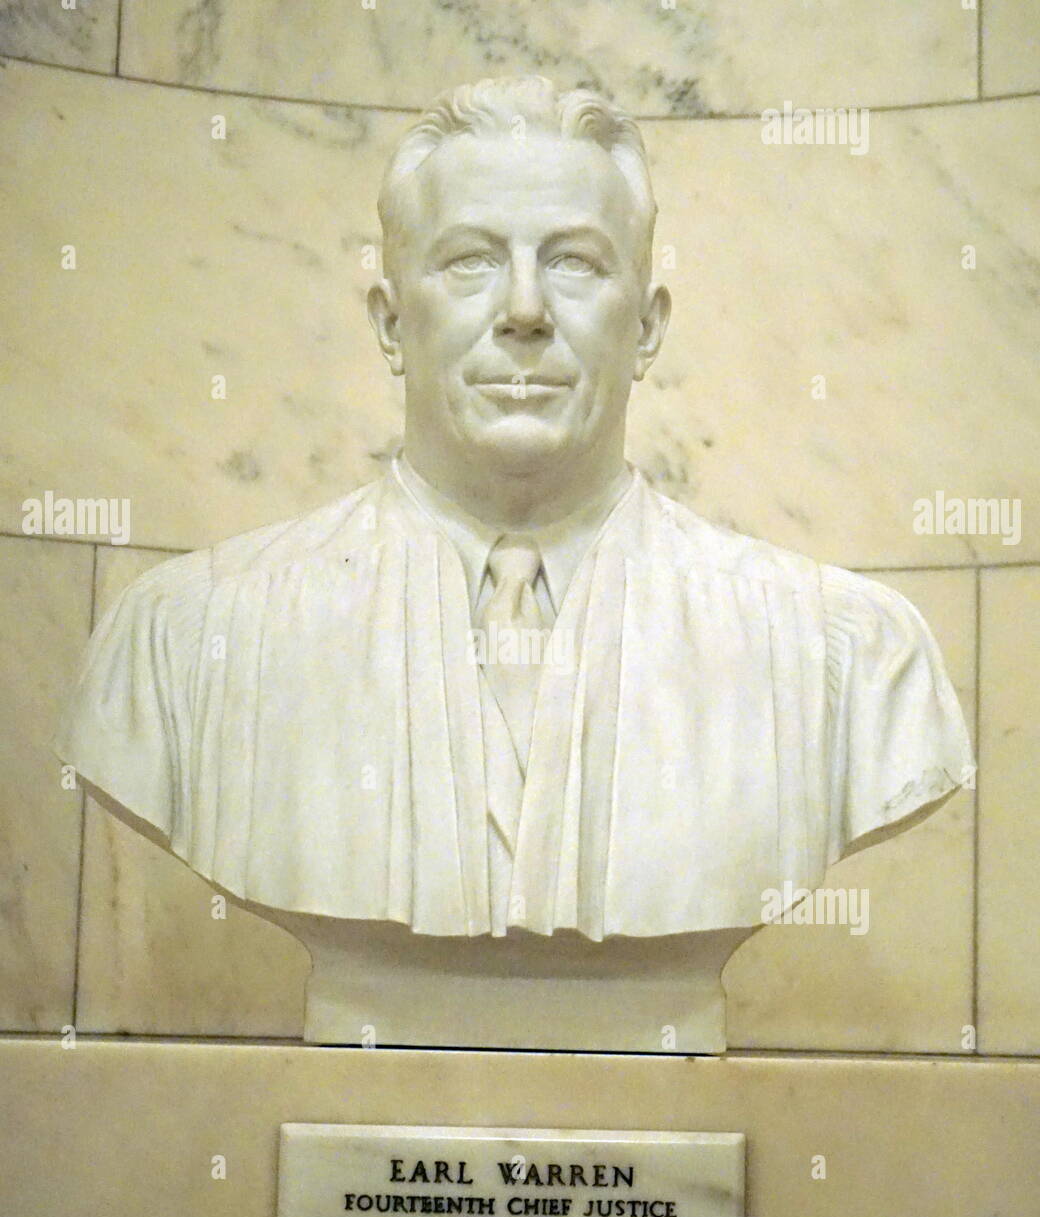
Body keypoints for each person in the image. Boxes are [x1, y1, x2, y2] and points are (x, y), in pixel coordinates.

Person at [55, 75, 973, 947]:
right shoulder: (182, 645)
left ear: (647, 327)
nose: (525, 310)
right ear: (389, 323)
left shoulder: (845, 658)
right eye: (470, 263)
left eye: (573, 264)